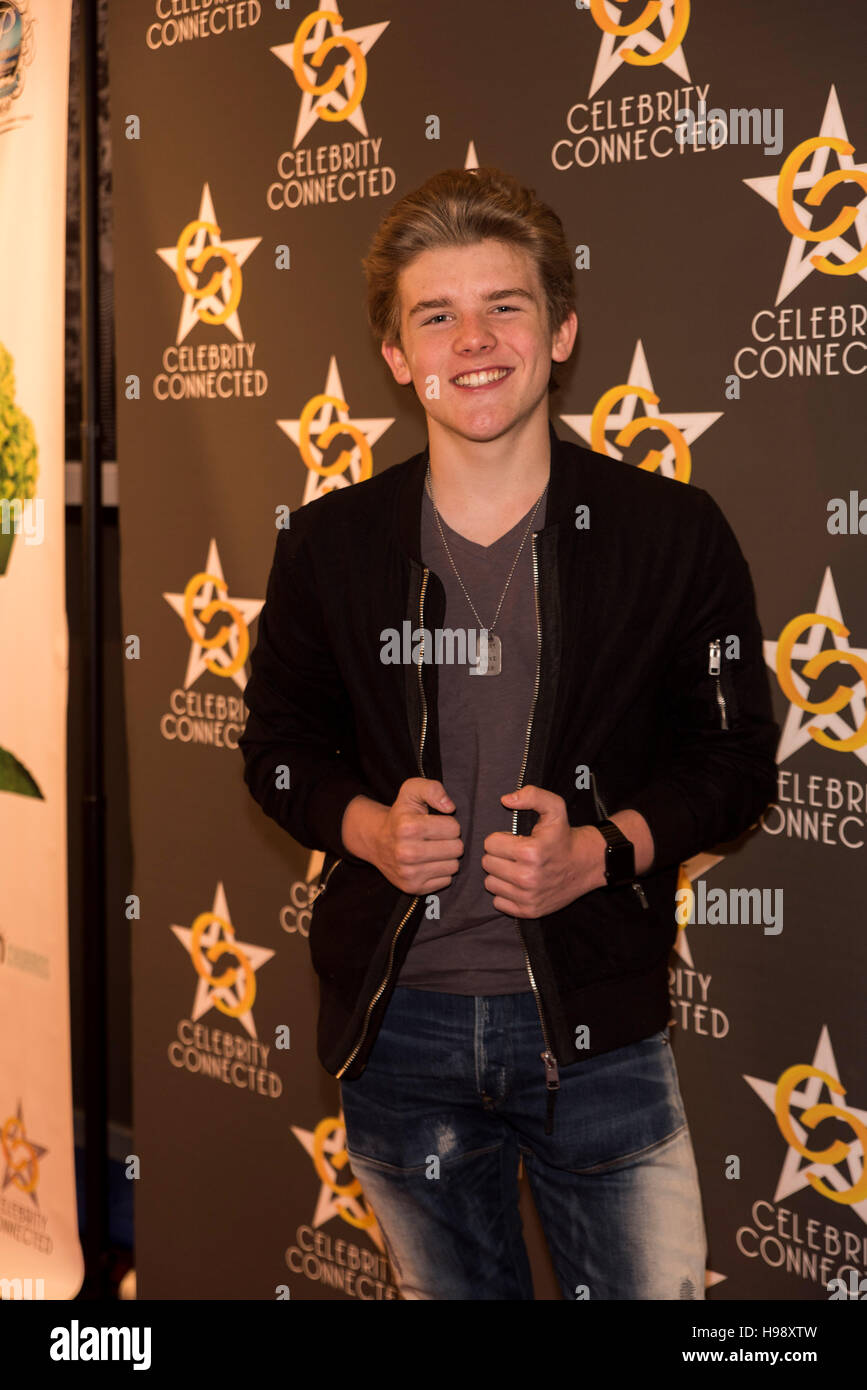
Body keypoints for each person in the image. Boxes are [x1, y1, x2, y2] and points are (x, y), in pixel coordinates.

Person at [239, 166, 779, 1300]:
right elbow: (276, 741)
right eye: (435, 315)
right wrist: (365, 826)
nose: (472, 340)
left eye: (506, 305)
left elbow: (735, 762)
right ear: (395, 353)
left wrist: (608, 844)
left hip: (598, 1036)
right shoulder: (329, 545)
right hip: (398, 1044)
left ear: (563, 329)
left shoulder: (670, 533)